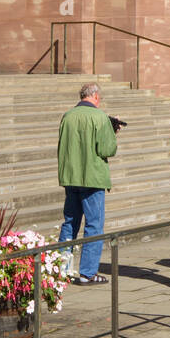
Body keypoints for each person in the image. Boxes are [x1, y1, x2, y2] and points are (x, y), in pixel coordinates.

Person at [57, 81, 117, 285]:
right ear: (96, 97)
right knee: (93, 224)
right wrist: (113, 132)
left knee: (70, 222)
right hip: (92, 177)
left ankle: (61, 268)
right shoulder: (99, 117)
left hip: (71, 175)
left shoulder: (68, 116)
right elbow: (107, 149)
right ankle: (87, 272)